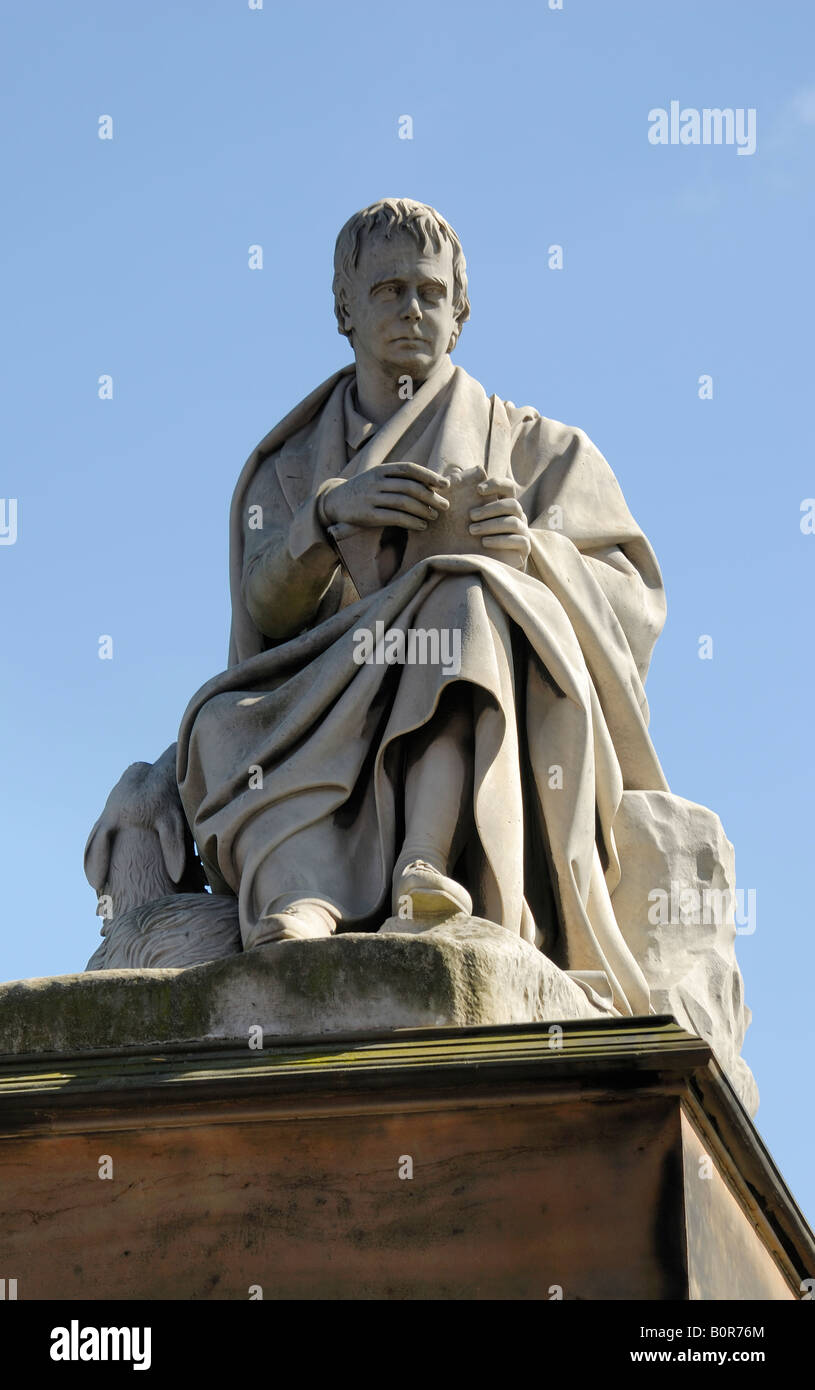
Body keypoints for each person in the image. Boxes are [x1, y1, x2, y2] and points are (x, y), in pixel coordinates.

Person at [172, 197, 670, 1018]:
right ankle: (297, 894)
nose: (412, 309)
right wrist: (325, 522)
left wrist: (532, 557)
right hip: (320, 687)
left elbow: (634, 606)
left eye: (431, 293)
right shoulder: (289, 463)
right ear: (344, 308)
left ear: (460, 311)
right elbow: (261, 624)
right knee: (222, 722)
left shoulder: (538, 448)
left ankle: (425, 865)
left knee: (466, 595)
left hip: (456, 667)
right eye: (389, 290)